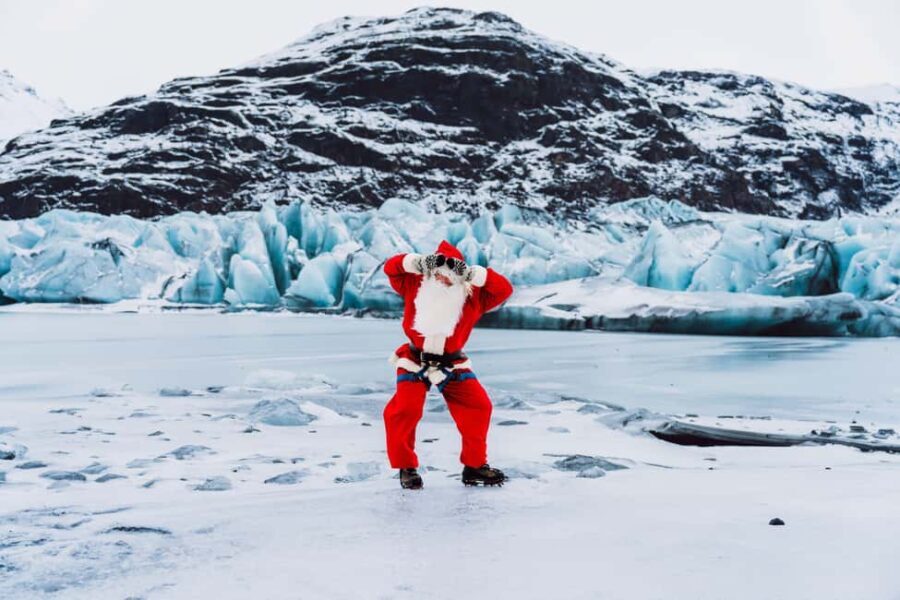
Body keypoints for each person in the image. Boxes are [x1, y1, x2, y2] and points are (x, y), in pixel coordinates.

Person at [382, 240, 514, 489]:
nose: (443, 279)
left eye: (450, 275)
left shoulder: (474, 298)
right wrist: (417, 262)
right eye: (438, 273)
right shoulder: (413, 285)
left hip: (452, 364)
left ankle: (474, 466)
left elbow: (504, 289)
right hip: (413, 361)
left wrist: (472, 273)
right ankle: (406, 467)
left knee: (478, 406)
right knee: (404, 411)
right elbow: (391, 268)